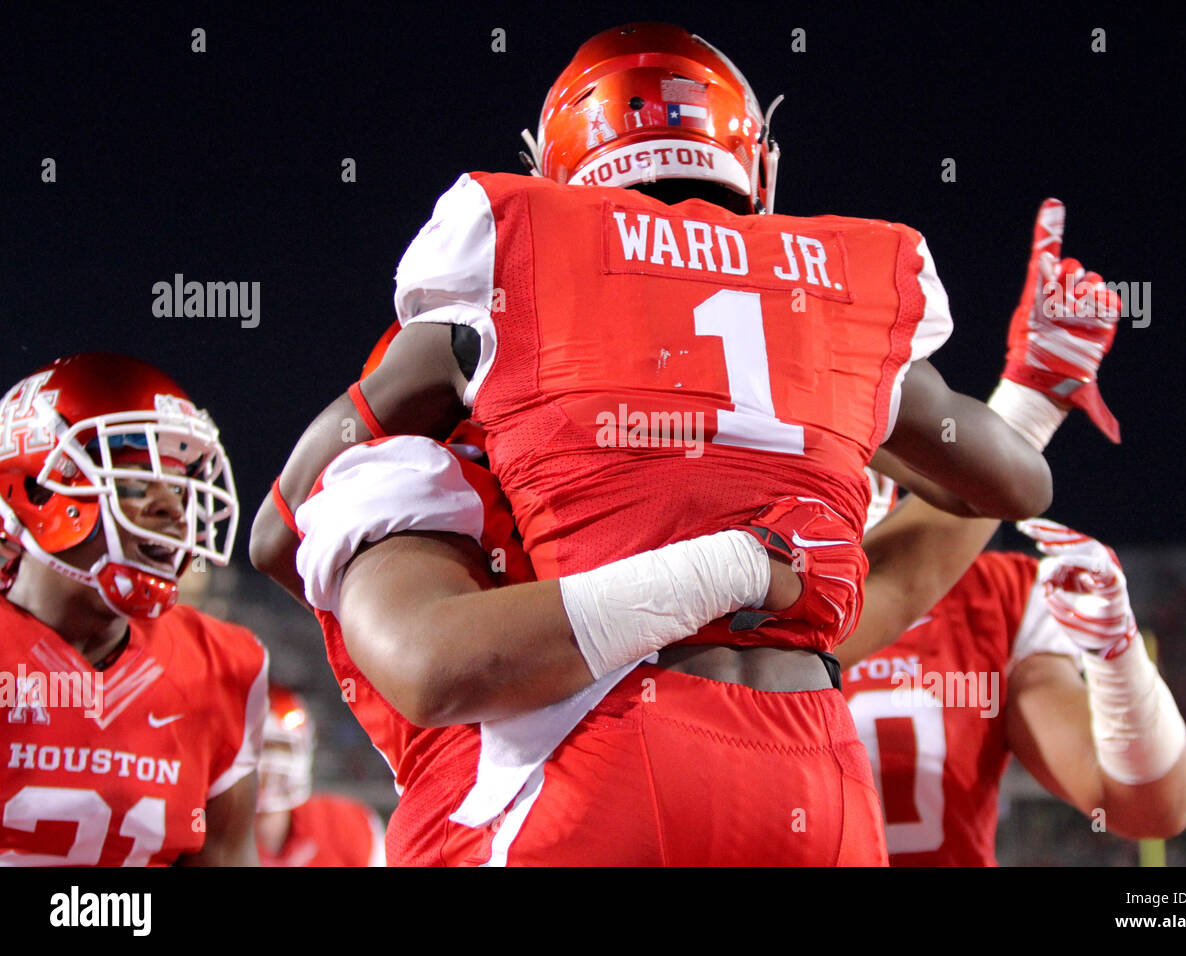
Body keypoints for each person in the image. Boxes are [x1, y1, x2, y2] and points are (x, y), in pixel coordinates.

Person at [252, 22, 1054, 865]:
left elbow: (284, 525)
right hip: (821, 770)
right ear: (754, 155)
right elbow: (1015, 485)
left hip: (615, 738)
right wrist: (821, 414)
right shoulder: (842, 289)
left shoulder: (508, 263)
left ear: (555, 163)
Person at [837, 204, 1186, 863]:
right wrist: (1031, 401)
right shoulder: (760, 575)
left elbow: (1151, 809)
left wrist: (1118, 663)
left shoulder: (997, 596)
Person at [0, 353, 266, 866]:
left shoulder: (221, 665)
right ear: (37, 489)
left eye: (179, 483)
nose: (172, 507)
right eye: (137, 482)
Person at [256, 684, 385, 866]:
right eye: (256, 749)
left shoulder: (346, 826)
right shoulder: (204, 835)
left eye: (281, 747)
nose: (269, 763)